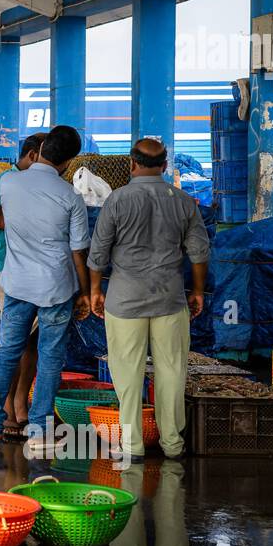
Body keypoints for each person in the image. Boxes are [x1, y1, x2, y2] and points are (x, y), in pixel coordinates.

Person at [88, 138, 210, 463]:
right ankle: (172, 443)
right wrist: (197, 291)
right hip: (170, 299)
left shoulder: (117, 200)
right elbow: (199, 252)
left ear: (132, 164)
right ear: (166, 166)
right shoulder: (183, 201)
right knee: (172, 369)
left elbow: (98, 251)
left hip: (125, 300)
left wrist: (95, 290)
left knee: (127, 372)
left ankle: (132, 445)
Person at [0, 125, 90, 453]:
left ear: (40, 152)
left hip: (16, 283)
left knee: (8, 352)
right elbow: (78, 252)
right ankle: (40, 431)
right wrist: (84, 293)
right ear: (69, 161)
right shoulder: (71, 196)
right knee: (50, 356)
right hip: (56, 286)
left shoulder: (9, 183)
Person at [0, 132, 47, 440]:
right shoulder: (4, 182)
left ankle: (21, 402)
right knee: (14, 342)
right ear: (33, 156)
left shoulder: (30, 184)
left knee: (32, 344)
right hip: (11, 271)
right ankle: (8, 407)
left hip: (35, 274)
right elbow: (2, 221)